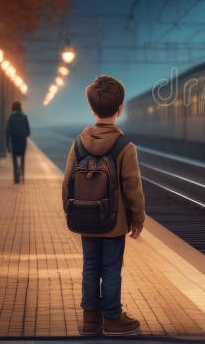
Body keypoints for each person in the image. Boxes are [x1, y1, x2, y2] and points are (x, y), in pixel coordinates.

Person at [62, 75, 145, 337]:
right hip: (114, 222)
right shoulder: (124, 146)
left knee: (90, 267)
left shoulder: (79, 143)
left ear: (92, 109)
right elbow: (133, 188)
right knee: (111, 269)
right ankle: (112, 318)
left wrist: (71, 210)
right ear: (120, 109)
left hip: (86, 219)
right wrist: (138, 219)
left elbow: (67, 183)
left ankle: (90, 320)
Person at [5, 101, 31, 183]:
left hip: (14, 141)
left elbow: (7, 131)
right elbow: (28, 131)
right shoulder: (24, 117)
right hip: (22, 141)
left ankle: (16, 176)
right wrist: (24, 135)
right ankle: (21, 171)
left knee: (14, 158)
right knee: (22, 157)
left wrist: (7, 145)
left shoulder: (11, 117)